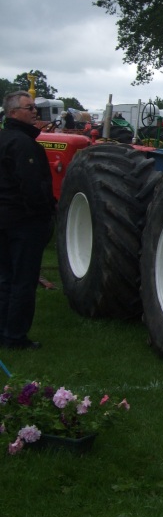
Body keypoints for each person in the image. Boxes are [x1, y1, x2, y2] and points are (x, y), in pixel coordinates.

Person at [0, 91, 56, 349]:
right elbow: (33, 187)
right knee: (22, 280)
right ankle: (15, 337)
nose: (34, 111)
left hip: (6, 219)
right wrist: (46, 212)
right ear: (13, 113)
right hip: (23, 222)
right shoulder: (24, 144)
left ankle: (4, 331)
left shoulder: (5, 139)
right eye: (29, 107)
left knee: (5, 279)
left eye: (34, 107)